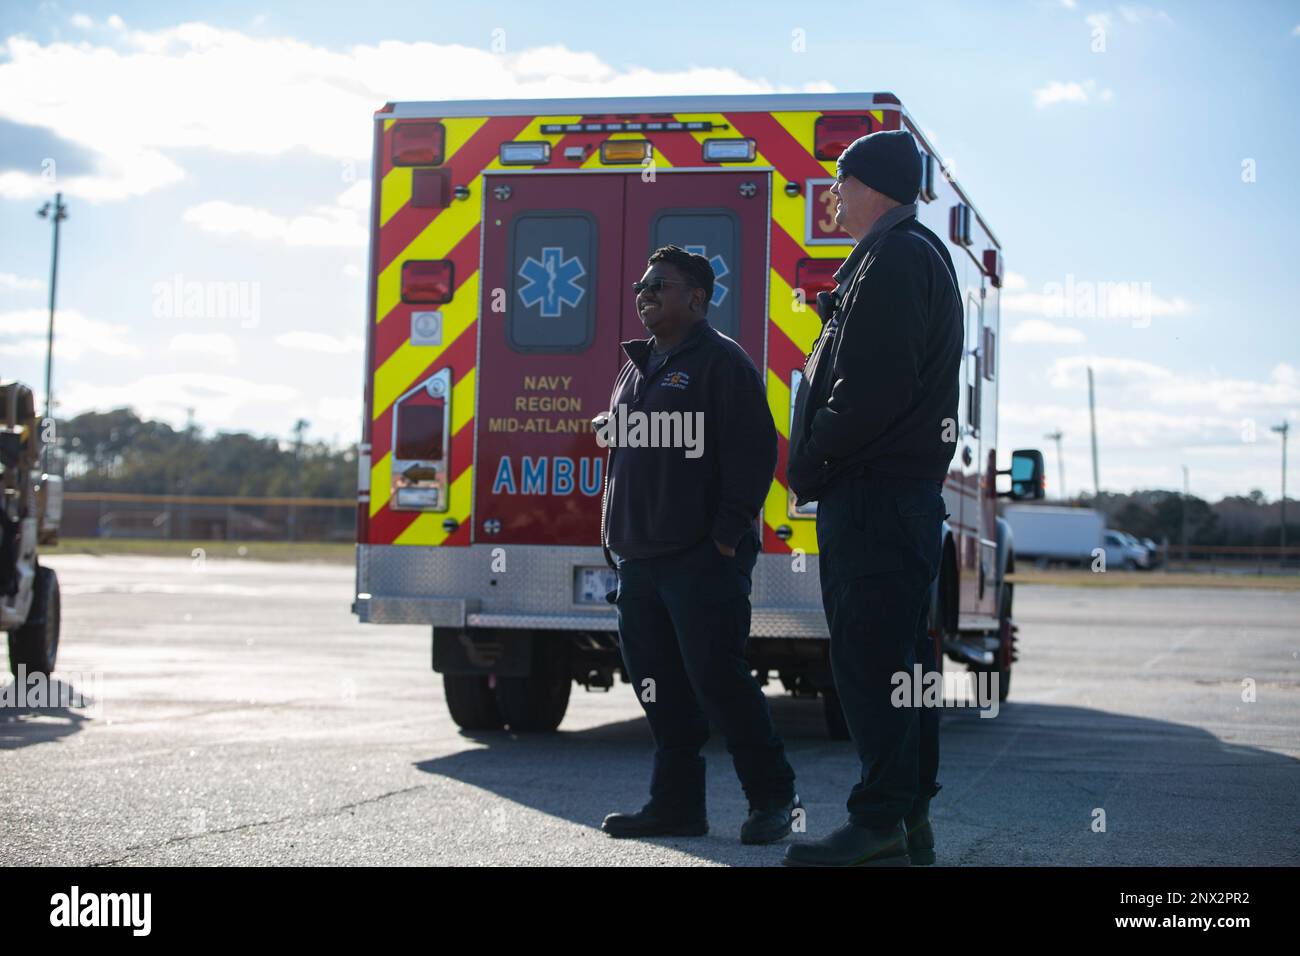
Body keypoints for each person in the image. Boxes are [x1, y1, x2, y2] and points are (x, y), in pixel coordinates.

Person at [783, 130, 962, 867]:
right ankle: (908, 813)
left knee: (870, 661)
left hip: (875, 496)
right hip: (894, 496)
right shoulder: (907, 255)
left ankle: (880, 820)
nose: (831, 193)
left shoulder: (893, 259)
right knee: (901, 663)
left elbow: (874, 389)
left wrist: (814, 459)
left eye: (841, 179)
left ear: (874, 186)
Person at [599, 244, 799, 845]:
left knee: (719, 680)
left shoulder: (721, 363)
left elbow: (756, 453)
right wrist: (613, 534)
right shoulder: (637, 367)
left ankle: (772, 798)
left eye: (660, 284)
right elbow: (624, 461)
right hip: (640, 557)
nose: (646, 292)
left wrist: (722, 537)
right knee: (657, 685)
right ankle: (676, 806)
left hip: (700, 558)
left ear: (697, 297)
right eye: (641, 284)